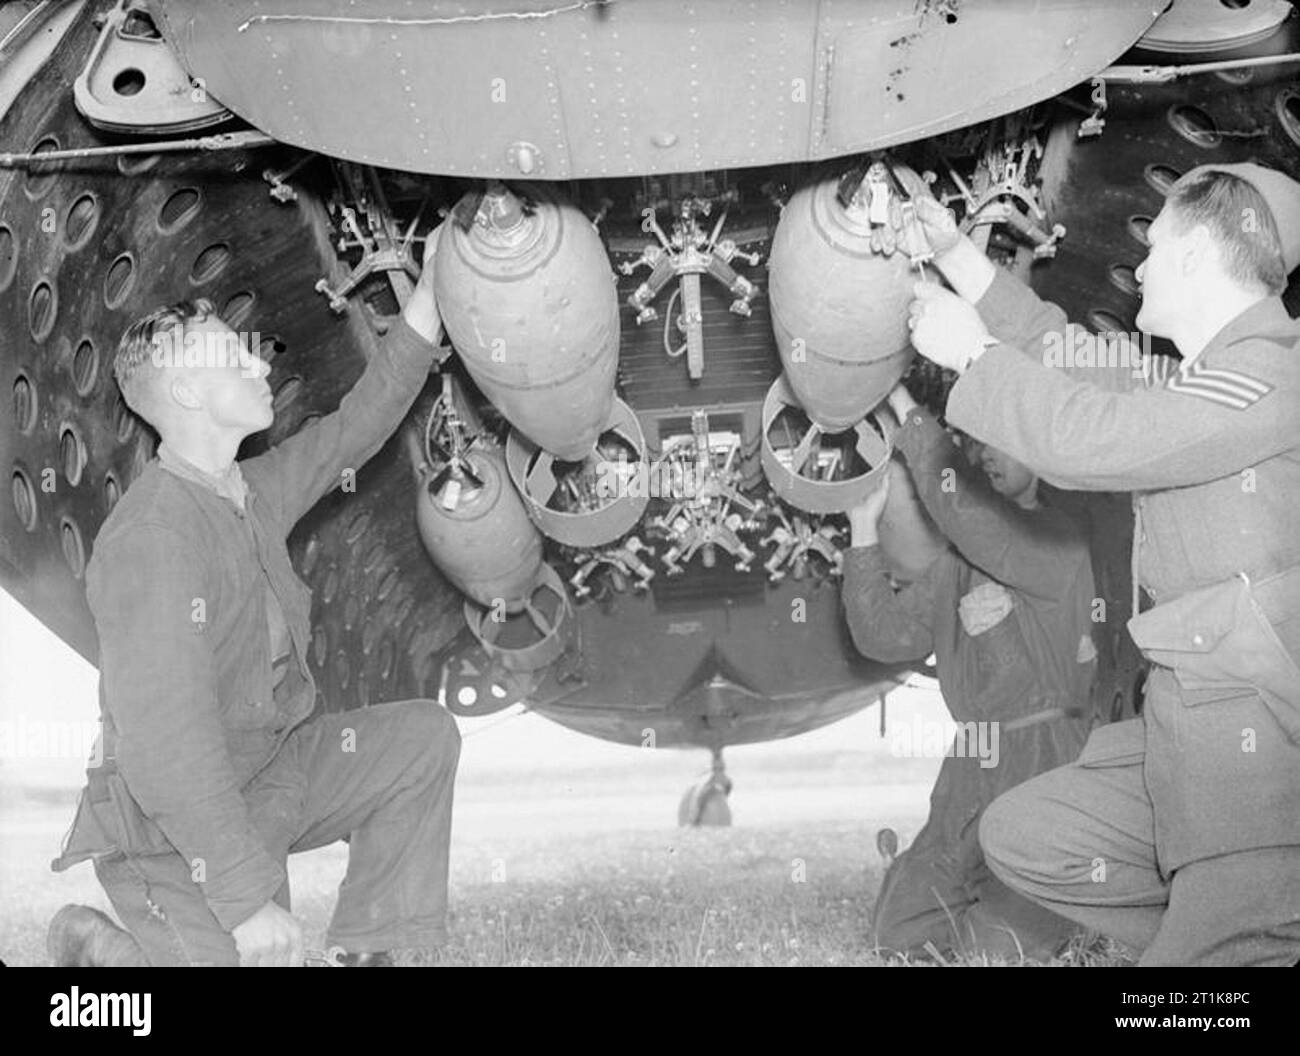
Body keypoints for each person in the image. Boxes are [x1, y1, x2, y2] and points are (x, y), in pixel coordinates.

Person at [903, 163, 1300, 965]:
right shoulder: (1203, 380)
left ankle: (1233, 937)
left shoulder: (1266, 381)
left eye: (1154, 248)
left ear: (1193, 257)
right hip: (1183, 727)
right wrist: (954, 253)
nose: (1141, 267)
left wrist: (972, 358)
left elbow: (1092, 439)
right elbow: (1061, 352)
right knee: (1026, 832)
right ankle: (1215, 929)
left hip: (1251, 736)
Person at [47, 228, 460, 967]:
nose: (253, 361)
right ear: (186, 394)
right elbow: (167, 750)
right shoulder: (151, 539)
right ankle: (102, 952)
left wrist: (428, 301)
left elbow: (351, 433)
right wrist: (241, 900)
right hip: (173, 836)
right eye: (230, 356)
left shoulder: (250, 492)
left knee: (418, 741)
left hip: (272, 780)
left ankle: (370, 953)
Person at [843, 382, 1097, 960]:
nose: (985, 455)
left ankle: (1071, 914)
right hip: (972, 764)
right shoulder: (959, 563)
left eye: (1002, 443)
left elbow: (976, 525)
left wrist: (906, 411)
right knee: (898, 932)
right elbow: (882, 638)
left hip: (1044, 759)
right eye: (976, 444)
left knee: (997, 952)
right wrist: (862, 531)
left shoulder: (1057, 542)